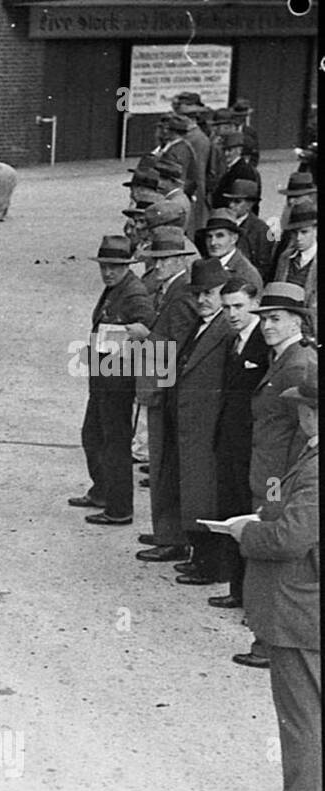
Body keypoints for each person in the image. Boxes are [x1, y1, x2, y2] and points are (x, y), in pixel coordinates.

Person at [232, 364, 320, 791]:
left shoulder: (316, 466)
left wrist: (249, 532)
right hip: (305, 603)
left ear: (310, 413)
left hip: (299, 607)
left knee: (301, 712)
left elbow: (291, 538)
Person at [234, 283, 315, 668]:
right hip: (271, 472)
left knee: (270, 546)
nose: (267, 326)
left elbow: (302, 434)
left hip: (276, 478)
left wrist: (278, 489)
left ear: (297, 321)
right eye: (264, 318)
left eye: (275, 319)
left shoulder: (296, 365)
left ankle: (267, 640)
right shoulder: (284, 357)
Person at [127, 227, 199, 563]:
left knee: (166, 465)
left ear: (178, 261)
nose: (157, 266)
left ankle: (172, 536)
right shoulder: (174, 290)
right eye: (156, 259)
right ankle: (166, 530)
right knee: (161, 463)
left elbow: (178, 348)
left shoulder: (182, 295)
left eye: (164, 259)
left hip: (166, 390)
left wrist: (145, 338)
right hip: (161, 387)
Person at [71, 236, 153, 525]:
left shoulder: (133, 293)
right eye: (104, 266)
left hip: (119, 379)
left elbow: (147, 329)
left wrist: (122, 336)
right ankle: (102, 492)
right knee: (93, 435)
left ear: (127, 266)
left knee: (115, 444)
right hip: (104, 376)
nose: (108, 272)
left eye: (115, 267)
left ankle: (119, 509)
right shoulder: (116, 288)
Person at [169, 258, 236, 585]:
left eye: (210, 293)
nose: (202, 300)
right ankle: (199, 556)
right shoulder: (204, 324)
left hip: (208, 425)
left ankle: (211, 566)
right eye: (198, 294)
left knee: (206, 496)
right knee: (195, 493)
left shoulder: (225, 328)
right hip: (193, 423)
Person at [209, 281, 272, 611]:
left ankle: (248, 596)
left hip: (253, 449)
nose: (231, 314)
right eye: (227, 307)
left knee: (252, 517)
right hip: (232, 444)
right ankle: (237, 589)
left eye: (238, 306)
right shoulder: (237, 339)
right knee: (233, 513)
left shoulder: (264, 342)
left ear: (255, 304)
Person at [196, 209, 263, 293]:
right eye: (209, 236)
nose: (213, 243)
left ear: (234, 239)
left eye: (220, 236)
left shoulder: (247, 273)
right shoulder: (201, 265)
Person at [271, 204, 317, 326]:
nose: (298, 238)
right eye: (294, 233)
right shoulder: (285, 258)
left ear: (316, 230)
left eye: (304, 232)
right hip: (283, 324)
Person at [222, 179, 274, 281]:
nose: (231, 205)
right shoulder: (221, 222)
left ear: (250, 204)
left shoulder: (262, 230)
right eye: (230, 200)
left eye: (237, 202)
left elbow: (265, 267)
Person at [208, 131, 260, 213]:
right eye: (224, 150)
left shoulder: (244, 171)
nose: (226, 154)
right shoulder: (230, 169)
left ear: (239, 150)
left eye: (229, 150)